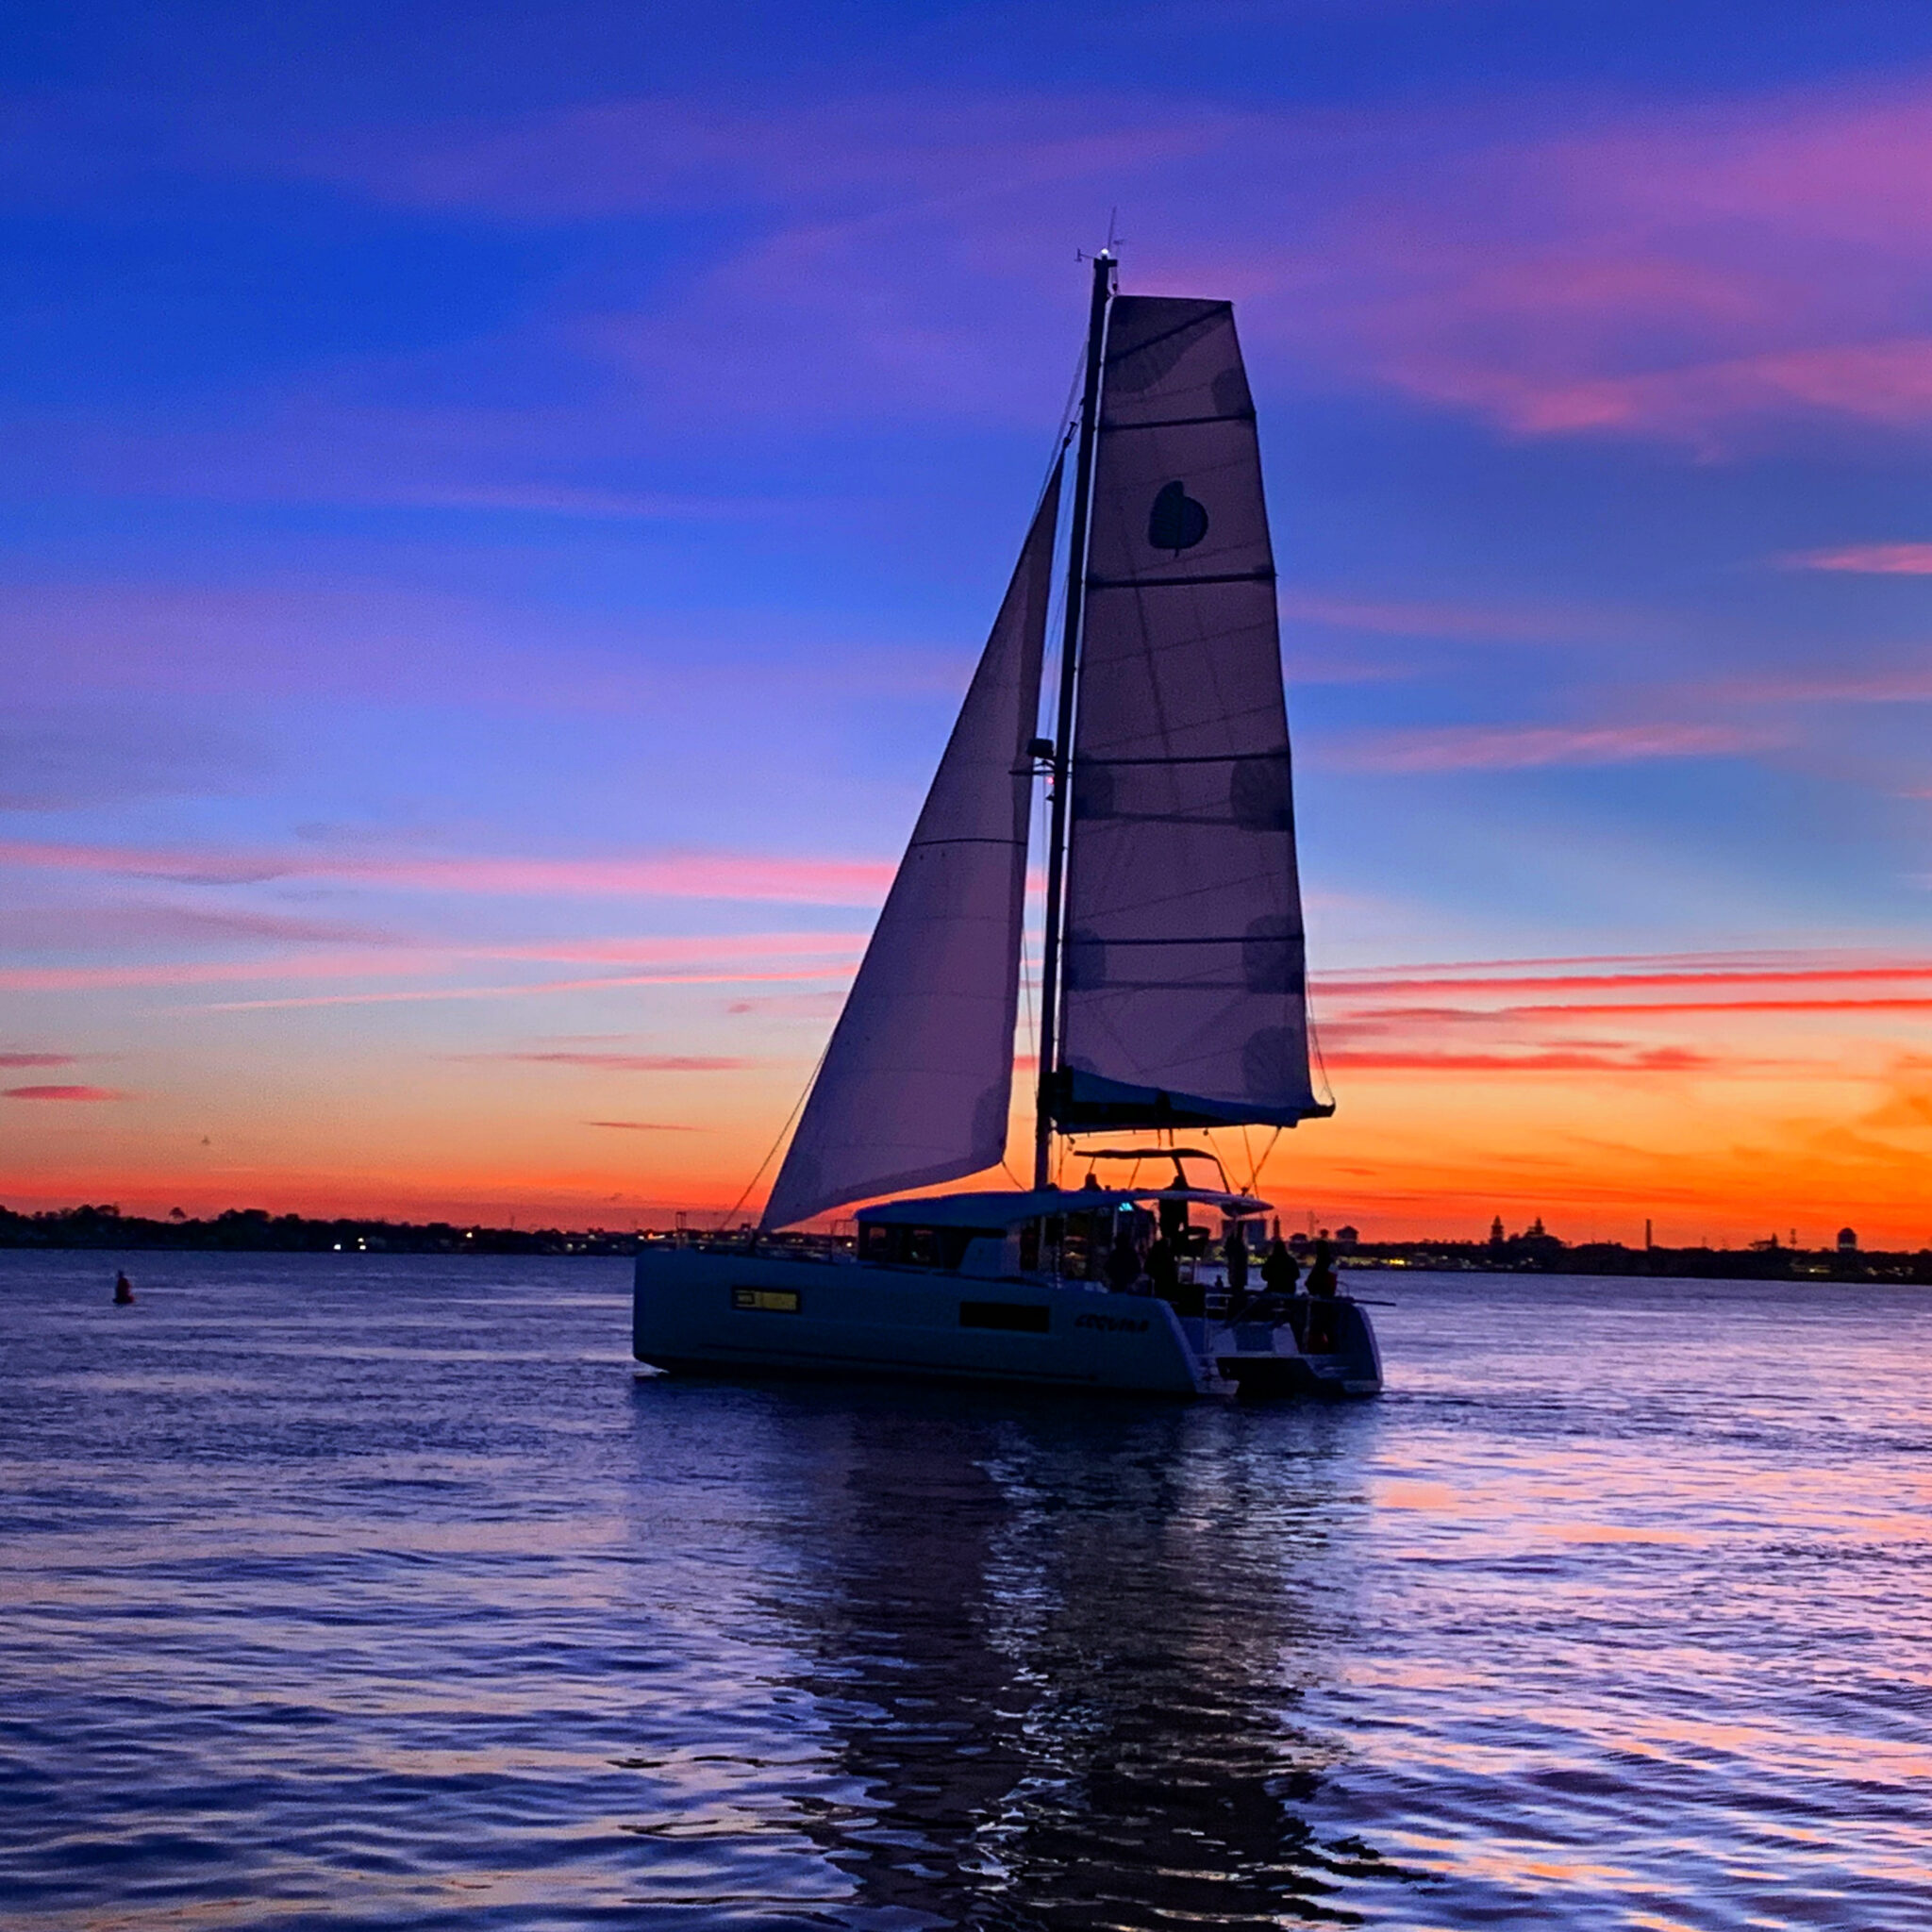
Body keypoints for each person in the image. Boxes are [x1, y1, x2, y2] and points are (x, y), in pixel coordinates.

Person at [1107, 1224, 1144, 1294]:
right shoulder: (1130, 1254)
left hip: (1120, 1283)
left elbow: (1107, 1268)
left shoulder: (1116, 1254)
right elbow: (1137, 1269)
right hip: (1123, 1284)